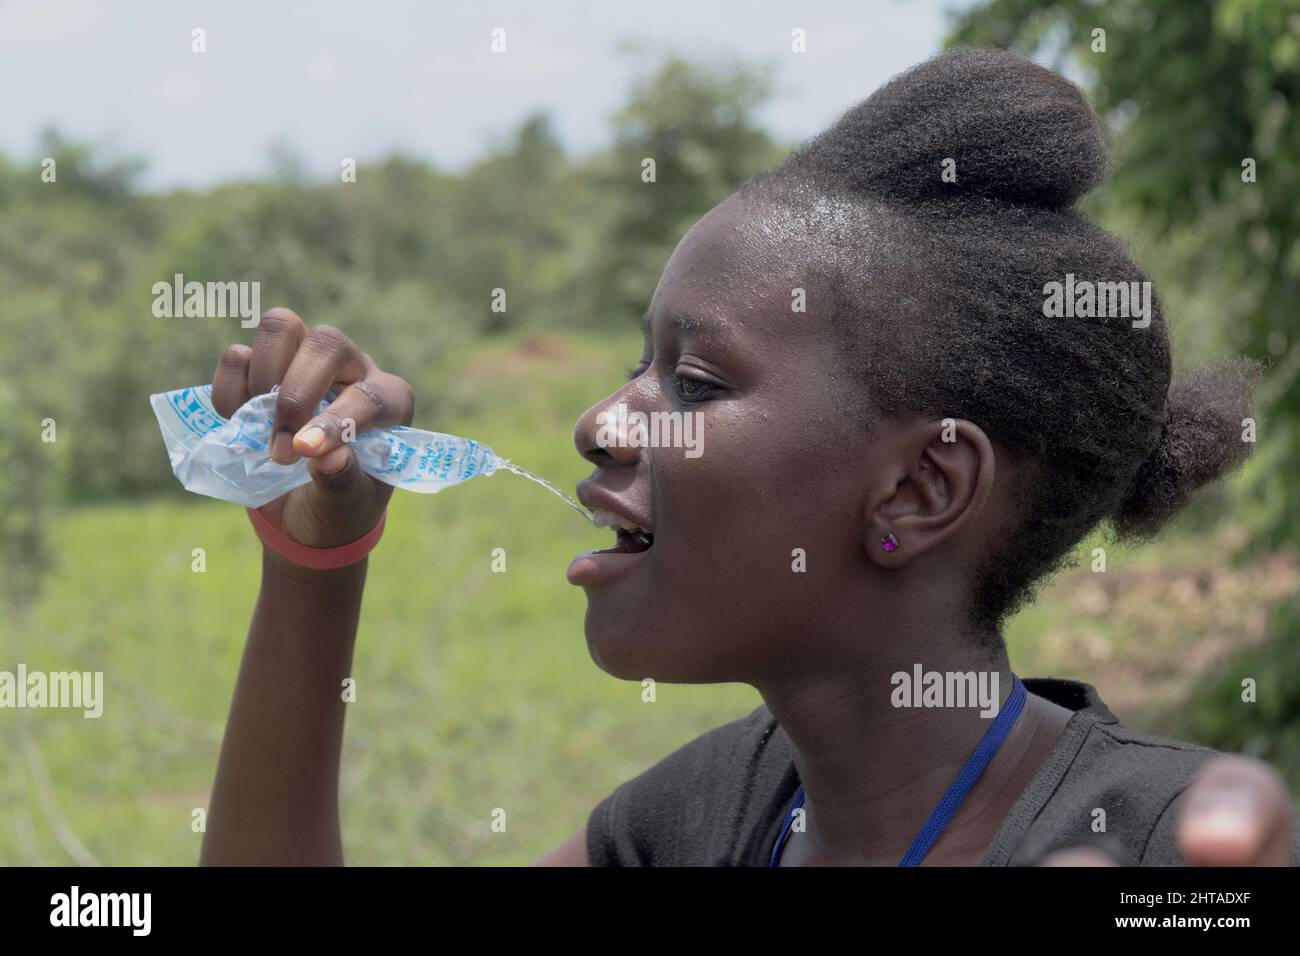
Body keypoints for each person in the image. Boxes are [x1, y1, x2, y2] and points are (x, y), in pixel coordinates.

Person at [198, 48, 1299, 867]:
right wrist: (315, 559)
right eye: (639, 362)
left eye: (698, 381)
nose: (599, 420)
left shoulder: (1157, 846)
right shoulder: (697, 821)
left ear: (922, 487)